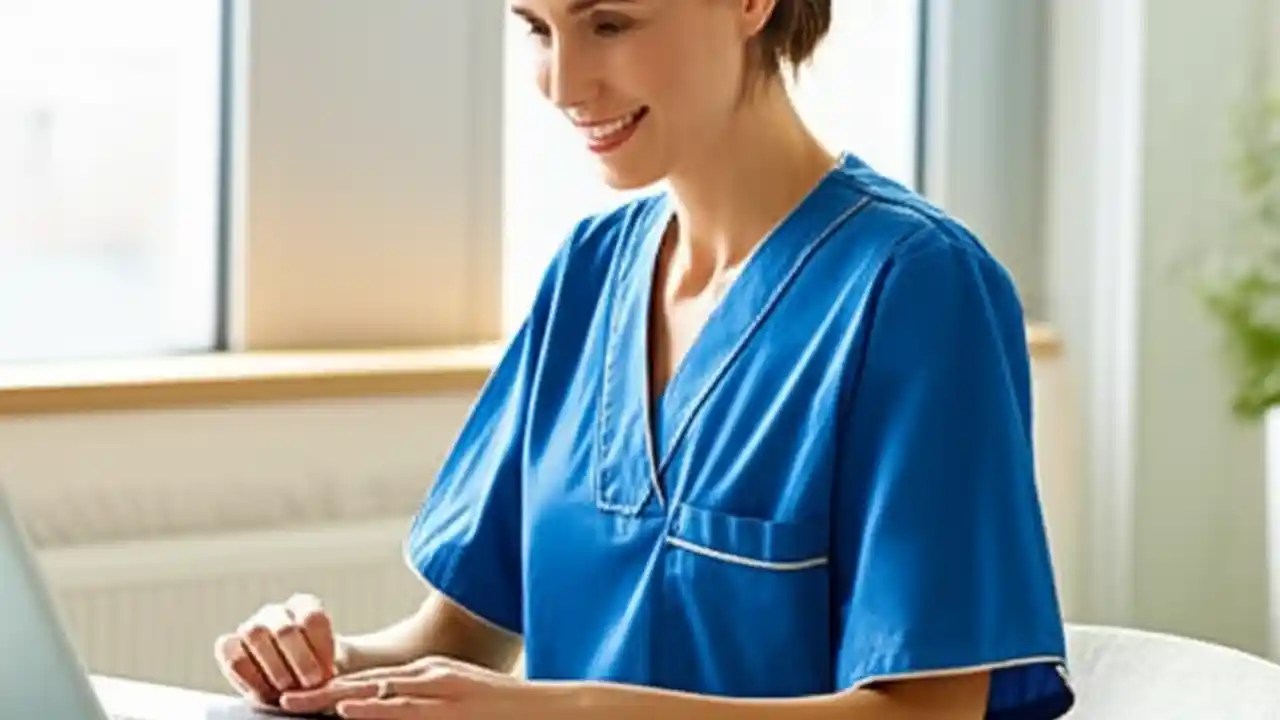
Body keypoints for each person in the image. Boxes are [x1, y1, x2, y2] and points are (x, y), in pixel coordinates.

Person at [214, 1, 1076, 718]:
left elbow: (928, 713)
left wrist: (570, 712)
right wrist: (316, 666)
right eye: (538, 30)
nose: (563, 84)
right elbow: (454, 641)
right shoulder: (589, 274)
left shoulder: (916, 289)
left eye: (611, 24)